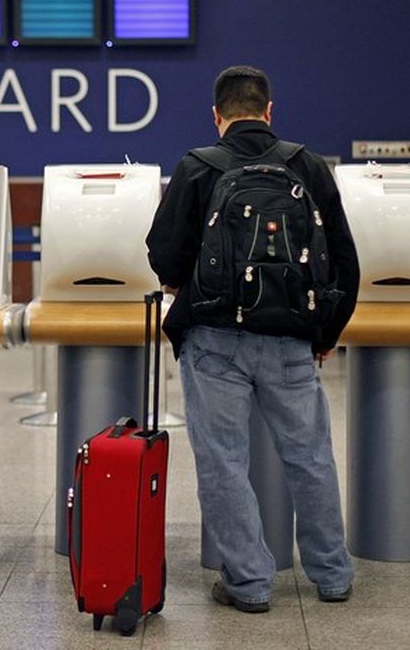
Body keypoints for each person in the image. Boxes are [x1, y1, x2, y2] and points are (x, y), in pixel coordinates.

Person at [146, 65, 360, 613]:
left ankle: (248, 583)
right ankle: (332, 574)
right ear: (269, 111)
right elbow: (344, 262)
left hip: (215, 339)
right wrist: (324, 333)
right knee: (310, 456)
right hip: (291, 338)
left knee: (223, 461)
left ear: (216, 117)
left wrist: (182, 282)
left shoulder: (197, 167)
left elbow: (164, 256)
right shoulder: (306, 165)